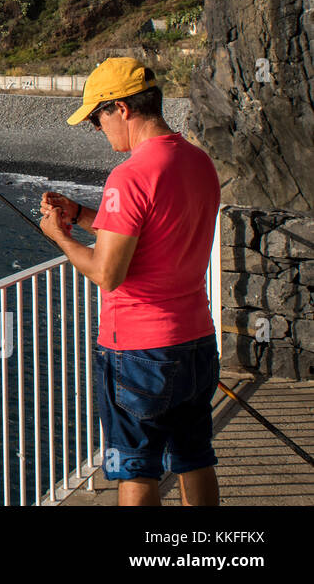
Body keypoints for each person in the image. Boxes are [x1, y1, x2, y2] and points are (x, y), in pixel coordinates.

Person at [38, 57, 221, 506]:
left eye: (97, 118)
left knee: (135, 470)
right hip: (196, 340)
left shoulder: (130, 175)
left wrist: (59, 236)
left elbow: (107, 272)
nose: (98, 130)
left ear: (121, 108)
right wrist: (81, 215)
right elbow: (153, 233)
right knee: (194, 459)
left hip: (140, 352)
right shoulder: (198, 162)